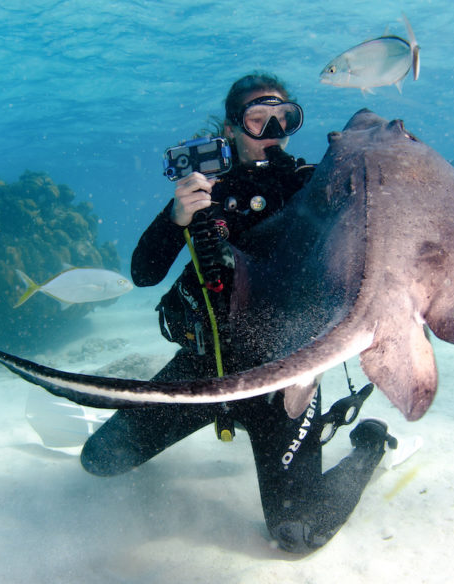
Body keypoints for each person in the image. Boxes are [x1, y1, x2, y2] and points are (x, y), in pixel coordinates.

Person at [81, 72, 398, 554]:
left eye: (284, 118)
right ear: (231, 127)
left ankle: (370, 445)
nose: (272, 129)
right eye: (257, 118)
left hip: (284, 377)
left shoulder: (311, 187)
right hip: (207, 370)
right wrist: (177, 217)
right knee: (100, 460)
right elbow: (143, 274)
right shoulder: (205, 189)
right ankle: (241, 419)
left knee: (298, 534)